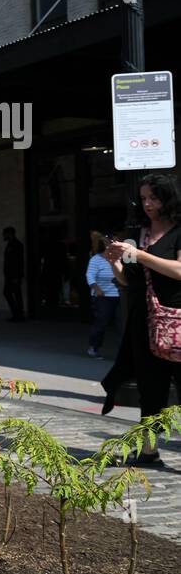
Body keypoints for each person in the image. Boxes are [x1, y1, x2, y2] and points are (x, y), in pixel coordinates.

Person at [101, 174, 181, 465]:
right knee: (150, 389)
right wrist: (115, 261)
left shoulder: (178, 231)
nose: (147, 204)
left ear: (168, 198)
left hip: (177, 321)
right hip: (144, 322)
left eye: (154, 198)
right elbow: (128, 281)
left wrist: (141, 255)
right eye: (144, 198)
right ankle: (149, 451)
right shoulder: (139, 232)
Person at [85, 232, 120, 359]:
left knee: (122, 325)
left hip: (120, 295)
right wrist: (97, 288)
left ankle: (124, 353)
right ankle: (93, 347)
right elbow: (89, 276)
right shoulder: (96, 259)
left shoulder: (122, 258)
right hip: (103, 296)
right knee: (101, 322)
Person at [2, 226, 26, 321]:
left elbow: (18, 262)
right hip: (9, 275)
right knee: (11, 293)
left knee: (15, 294)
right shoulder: (10, 244)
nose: (3, 236)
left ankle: (19, 315)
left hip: (14, 275)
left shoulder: (17, 245)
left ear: (10, 234)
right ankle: (17, 314)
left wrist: (17, 276)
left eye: (5, 234)